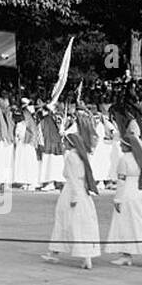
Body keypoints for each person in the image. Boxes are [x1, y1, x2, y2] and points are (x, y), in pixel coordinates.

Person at [42, 112, 102, 270]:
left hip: (72, 191)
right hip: (82, 191)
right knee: (83, 222)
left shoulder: (70, 157)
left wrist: (74, 196)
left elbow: (72, 177)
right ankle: (84, 256)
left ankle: (55, 252)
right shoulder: (82, 156)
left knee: (64, 221)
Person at [105, 116, 142, 267]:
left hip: (127, 194)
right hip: (140, 192)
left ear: (125, 146)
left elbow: (121, 182)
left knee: (125, 223)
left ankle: (126, 255)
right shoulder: (139, 158)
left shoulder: (124, 160)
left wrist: (117, 199)